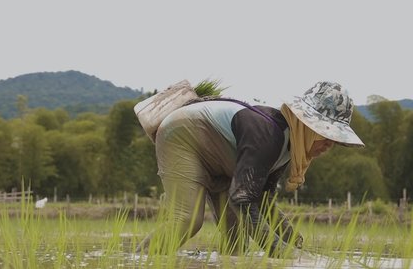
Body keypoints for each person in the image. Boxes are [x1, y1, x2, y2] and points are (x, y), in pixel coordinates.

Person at [136, 81, 365, 257]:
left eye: (333, 138)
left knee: (236, 240)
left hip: (221, 160)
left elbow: (263, 200)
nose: (330, 144)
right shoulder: (268, 135)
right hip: (182, 136)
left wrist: (294, 242)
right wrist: (283, 252)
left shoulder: (287, 148)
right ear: (306, 126)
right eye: (325, 134)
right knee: (186, 220)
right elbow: (243, 201)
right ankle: (138, 261)